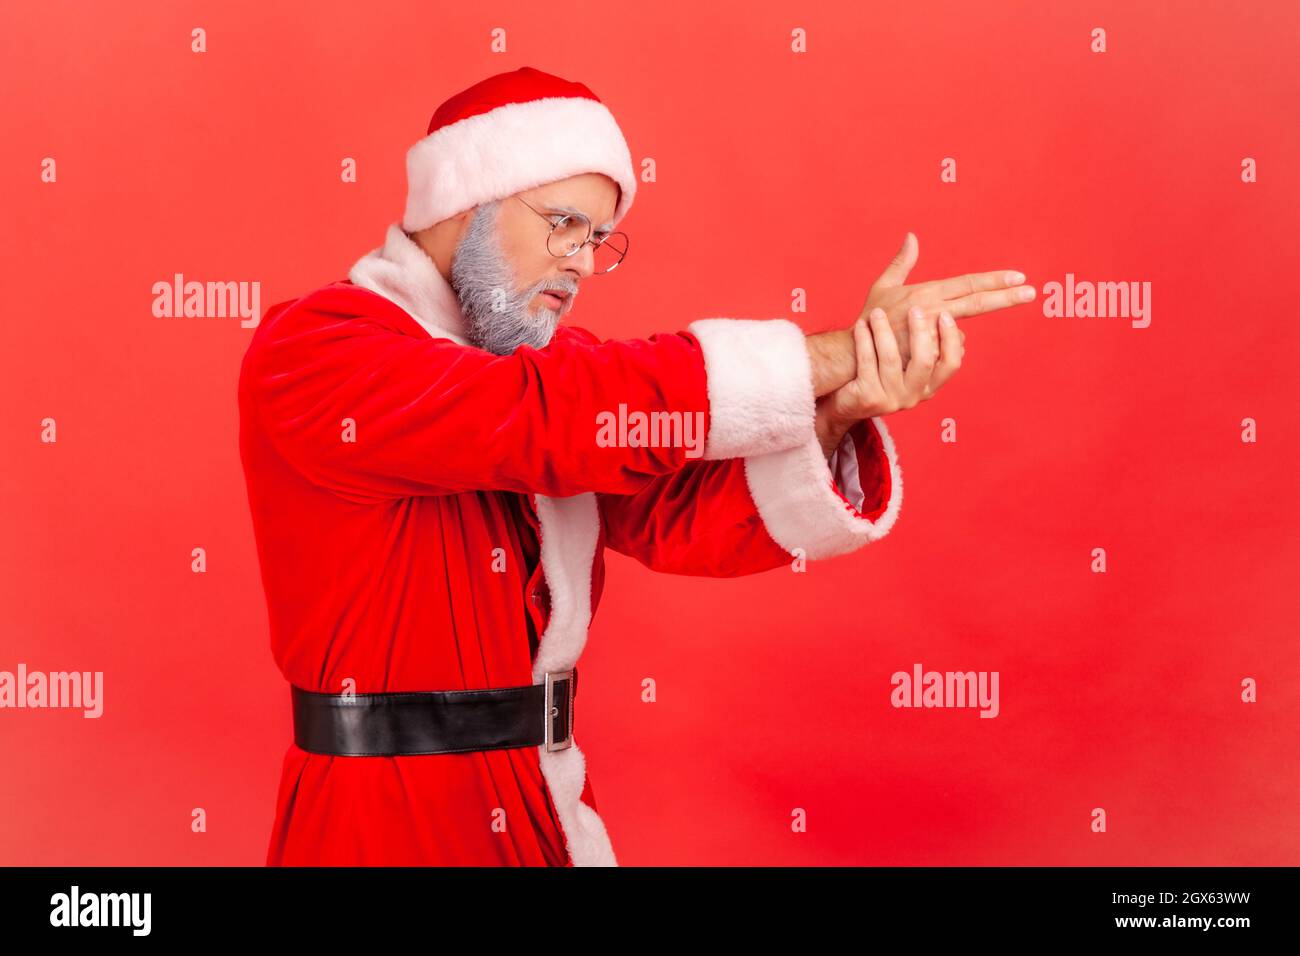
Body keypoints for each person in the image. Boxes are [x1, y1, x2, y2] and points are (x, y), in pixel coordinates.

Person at [237, 66, 1035, 866]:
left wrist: (841, 407)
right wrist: (826, 353)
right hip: (376, 824)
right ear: (465, 200)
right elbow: (550, 416)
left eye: (595, 239)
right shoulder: (316, 351)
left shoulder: (555, 376)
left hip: (544, 805)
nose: (582, 264)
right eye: (563, 224)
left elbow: (676, 514)